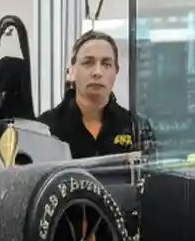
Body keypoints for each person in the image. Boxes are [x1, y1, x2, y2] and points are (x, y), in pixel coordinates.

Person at [37, 30, 145, 158]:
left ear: (116, 71)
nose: (97, 72)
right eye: (88, 63)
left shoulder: (135, 127)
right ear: (71, 72)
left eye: (106, 64)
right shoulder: (45, 129)